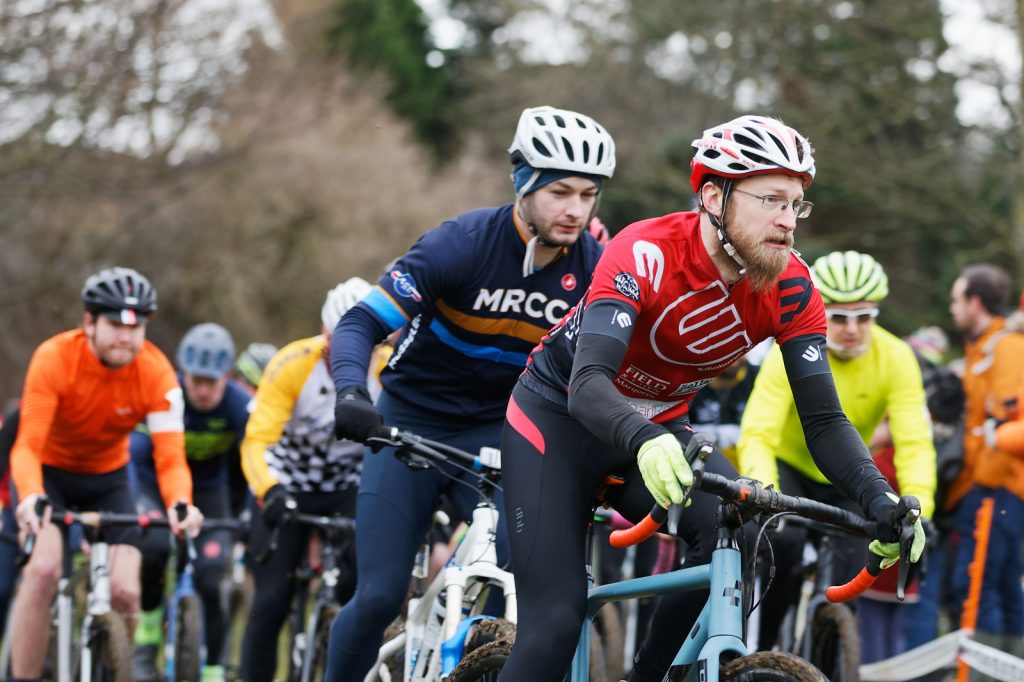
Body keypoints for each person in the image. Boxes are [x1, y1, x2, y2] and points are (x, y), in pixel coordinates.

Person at [497, 115, 925, 682]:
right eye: (771, 199)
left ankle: (649, 676)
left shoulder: (792, 287)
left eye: (796, 204)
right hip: (558, 418)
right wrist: (647, 438)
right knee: (554, 625)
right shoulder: (645, 251)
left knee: (742, 529)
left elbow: (823, 420)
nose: (787, 220)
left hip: (658, 432)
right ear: (712, 196)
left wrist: (880, 498)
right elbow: (588, 383)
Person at [325, 105, 612, 681]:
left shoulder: (595, 269)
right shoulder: (460, 244)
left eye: (589, 194)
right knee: (379, 595)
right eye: (560, 191)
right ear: (524, 183)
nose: (576, 209)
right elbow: (360, 324)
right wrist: (353, 393)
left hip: (503, 431)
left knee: (525, 576)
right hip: (410, 424)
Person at [736, 249, 936, 659]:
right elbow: (758, 431)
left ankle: (830, 654)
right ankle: (764, 651)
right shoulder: (791, 348)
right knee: (783, 547)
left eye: (864, 317)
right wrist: (762, 487)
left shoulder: (896, 357)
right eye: (839, 316)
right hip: (788, 469)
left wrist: (920, 511)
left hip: (847, 475)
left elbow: (914, 442)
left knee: (857, 564)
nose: (851, 329)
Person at [7, 266, 204, 681]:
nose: (126, 337)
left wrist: (180, 503)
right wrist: (29, 495)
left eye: (136, 327)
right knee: (42, 572)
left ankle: (114, 667)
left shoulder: (157, 373)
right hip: (49, 474)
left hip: (108, 478)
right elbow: (28, 445)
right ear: (88, 323)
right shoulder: (55, 358)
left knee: (126, 592)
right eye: (114, 324)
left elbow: (170, 459)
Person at [239, 277, 372, 682]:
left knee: (360, 589)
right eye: (341, 341)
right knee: (272, 599)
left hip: (348, 487)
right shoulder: (292, 364)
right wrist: (270, 490)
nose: (354, 353)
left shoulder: (387, 368)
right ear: (324, 333)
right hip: (286, 484)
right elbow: (255, 441)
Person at [130, 322, 252, 682]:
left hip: (210, 493)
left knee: (212, 581)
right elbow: (135, 454)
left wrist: (247, 513)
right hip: (155, 485)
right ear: (183, 374)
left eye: (211, 382)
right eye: (195, 380)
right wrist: (138, 502)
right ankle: (147, 636)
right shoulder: (166, 395)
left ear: (227, 377)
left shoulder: (239, 406)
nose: (201, 390)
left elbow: (251, 463)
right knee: (152, 548)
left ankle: (213, 668)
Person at [946, 265, 1024, 662]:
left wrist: (984, 484)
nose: (951, 309)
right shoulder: (981, 350)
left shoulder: (1006, 346)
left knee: (977, 586)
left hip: (999, 491)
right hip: (991, 489)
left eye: (957, 300)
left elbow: (1007, 417)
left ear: (975, 303)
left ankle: (987, 672)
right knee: (1005, 587)